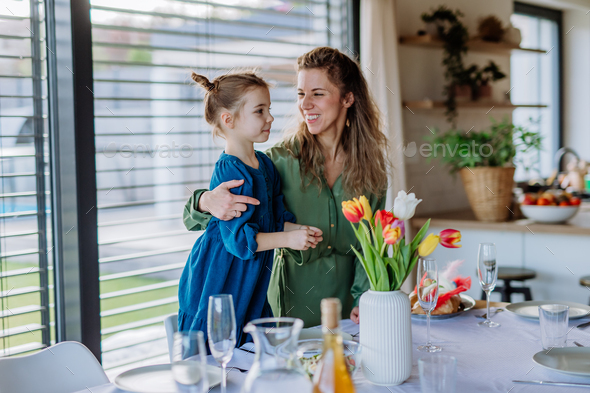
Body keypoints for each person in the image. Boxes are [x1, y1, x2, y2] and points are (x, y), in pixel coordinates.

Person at [183, 47, 390, 327]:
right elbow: (201, 222)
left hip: (348, 312)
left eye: (317, 94)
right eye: (301, 94)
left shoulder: (371, 171)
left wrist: (365, 298)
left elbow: (371, 244)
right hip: (285, 308)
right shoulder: (278, 160)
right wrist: (205, 201)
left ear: (348, 98)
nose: (305, 104)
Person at [178, 71, 322, 346]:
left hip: (250, 279)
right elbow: (240, 243)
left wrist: (299, 231)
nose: (270, 118)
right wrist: (289, 240)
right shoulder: (229, 169)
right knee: (214, 352)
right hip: (220, 278)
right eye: (260, 111)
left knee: (247, 348)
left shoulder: (266, 165)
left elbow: (275, 220)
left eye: (269, 109)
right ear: (228, 120)